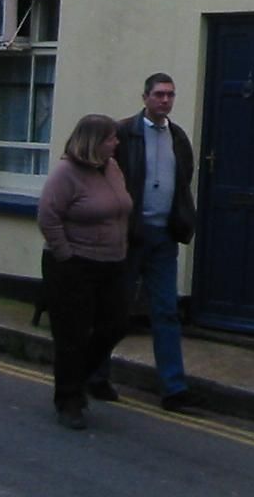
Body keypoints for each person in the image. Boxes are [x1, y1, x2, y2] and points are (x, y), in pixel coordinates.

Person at [88, 71, 201, 412]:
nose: (165, 101)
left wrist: (181, 218)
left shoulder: (178, 137)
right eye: (159, 95)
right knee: (115, 310)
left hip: (163, 236)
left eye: (170, 95)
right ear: (145, 98)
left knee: (166, 312)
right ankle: (97, 375)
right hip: (128, 236)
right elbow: (102, 176)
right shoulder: (124, 133)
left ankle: (173, 388)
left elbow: (183, 180)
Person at [38, 113, 133, 430]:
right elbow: (48, 217)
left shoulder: (112, 168)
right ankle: (68, 400)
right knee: (72, 334)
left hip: (113, 262)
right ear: (94, 142)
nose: (116, 143)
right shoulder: (66, 173)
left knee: (115, 324)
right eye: (111, 139)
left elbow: (120, 209)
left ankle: (80, 379)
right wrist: (65, 255)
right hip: (73, 265)